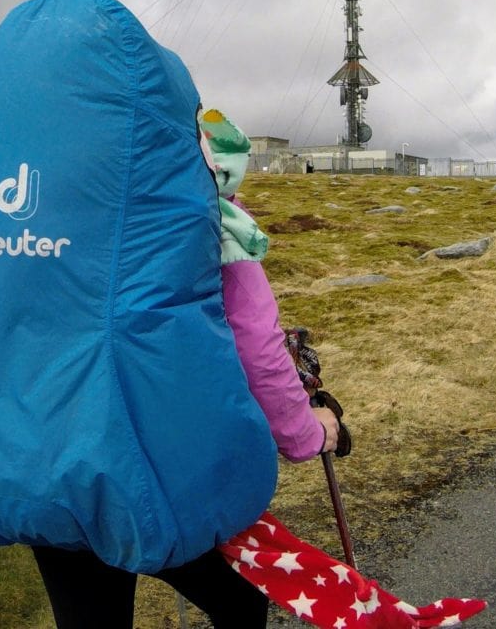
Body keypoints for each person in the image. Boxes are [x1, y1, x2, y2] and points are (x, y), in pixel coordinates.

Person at [29, 107, 340, 629]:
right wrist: (309, 432)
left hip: (51, 456)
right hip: (151, 465)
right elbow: (258, 345)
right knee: (239, 600)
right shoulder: (212, 220)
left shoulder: (58, 209)